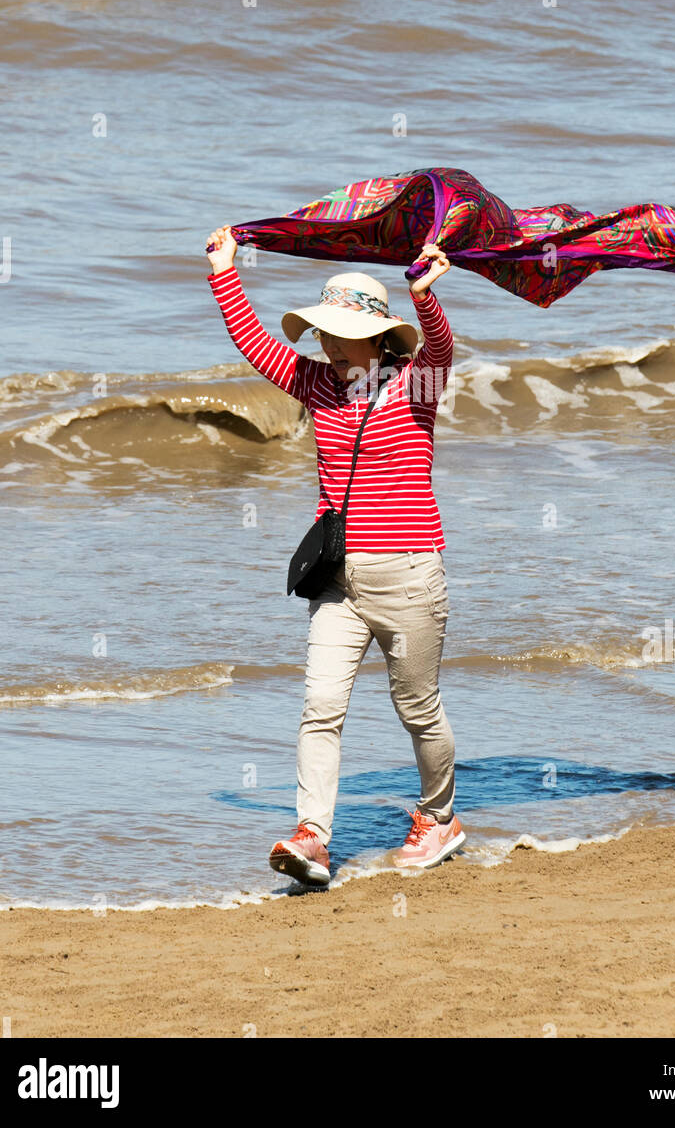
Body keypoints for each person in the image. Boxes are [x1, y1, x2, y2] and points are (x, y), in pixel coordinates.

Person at [205, 224, 464, 885]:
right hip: (339, 580)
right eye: (321, 328)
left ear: (377, 335)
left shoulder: (416, 385)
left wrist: (425, 295)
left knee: (418, 708)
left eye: (338, 329)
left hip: (410, 574)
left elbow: (440, 345)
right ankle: (313, 838)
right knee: (320, 708)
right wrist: (224, 270)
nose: (324, 339)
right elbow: (255, 343)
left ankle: (440, 819)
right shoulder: (316, 385)